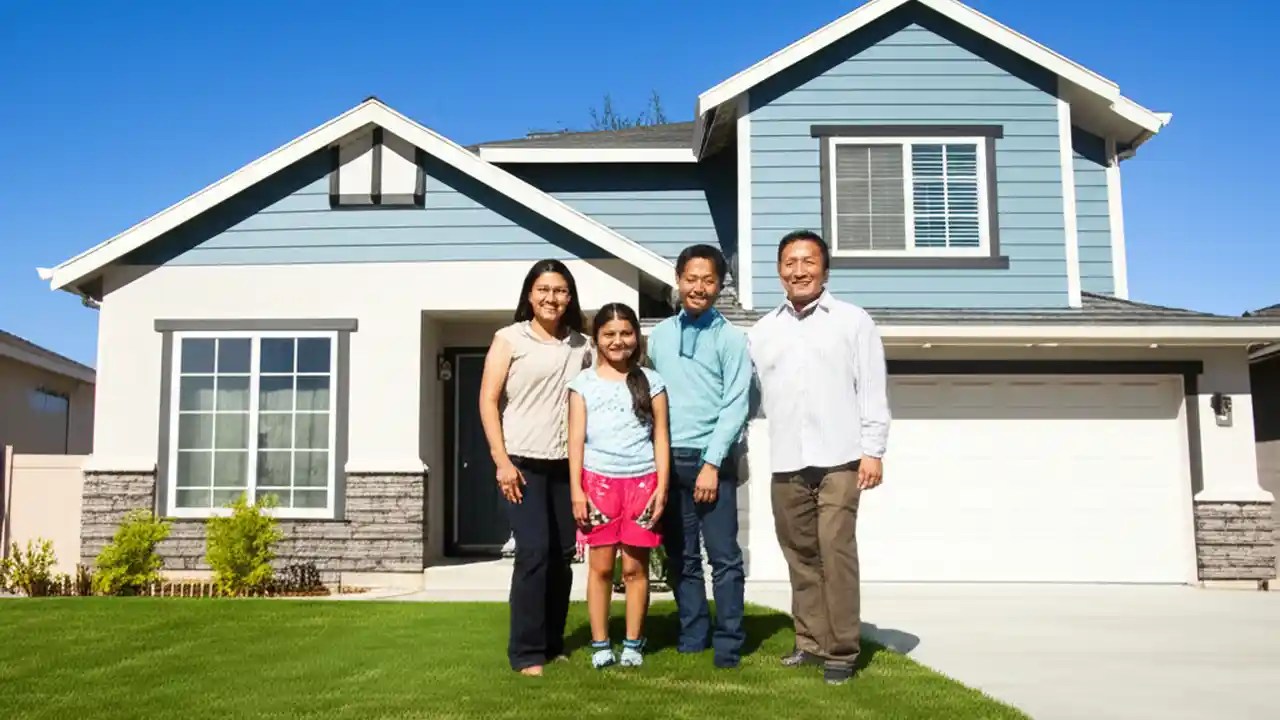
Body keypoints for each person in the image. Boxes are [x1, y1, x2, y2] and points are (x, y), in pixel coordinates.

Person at [747, 230, 890, 686]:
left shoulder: (852, 321)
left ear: (825, 270)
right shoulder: (763, 330)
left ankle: (842, 650)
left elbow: (871, 388)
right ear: (779, 270)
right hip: (786, 460)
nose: (799, 270)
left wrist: (874, 451)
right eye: (790, 262)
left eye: (808, 261)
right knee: (801, 555)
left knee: (836, 551)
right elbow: (749, 395)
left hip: (841, 459)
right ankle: (809, 642)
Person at [479, 259, 591, 677]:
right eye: (543, 289)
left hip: (566, 465)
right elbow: (488, 400)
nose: (552, 298)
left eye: (560, 290)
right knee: (532, 554)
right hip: (521, 464)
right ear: (530, 294)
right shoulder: (510, 338)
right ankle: (525, 652)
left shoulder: (582, 345)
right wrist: (501, 461)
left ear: (570, 296)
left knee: (562, 555)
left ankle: (552, 642)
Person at [646, 244, 751, 669]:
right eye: (692, 278)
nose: (699, 287)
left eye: (709, 280)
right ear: (678, 279)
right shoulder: (659, 336)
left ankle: (728, 643)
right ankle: (693, 635)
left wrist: (711, 462)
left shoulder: (731, 338)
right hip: (670, 462)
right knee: (682, 557)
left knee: (724, 558)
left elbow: (736, 403)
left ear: (720, 286)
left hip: (714, 463)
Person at [567, 303, 670, 669]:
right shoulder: (583, 385)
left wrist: (662, 488)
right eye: (609, 334)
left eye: (626, 333)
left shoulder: (652, 382)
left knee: (634, 570)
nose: (618, 341)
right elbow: (575, 441)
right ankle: (600, 644)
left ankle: (632, 643)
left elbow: (661, 437)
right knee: (601, 570)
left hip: (643, 484)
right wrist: (577, 491)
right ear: (596, 339)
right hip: (597, 484)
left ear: (636, 336)